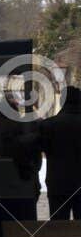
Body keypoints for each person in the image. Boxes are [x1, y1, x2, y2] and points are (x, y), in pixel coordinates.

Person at [38, 87, 81, 218]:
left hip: (58, 185)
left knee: (58, 229)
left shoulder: (48, 125)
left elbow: (38, 150)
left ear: (62, 102)